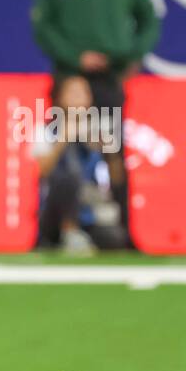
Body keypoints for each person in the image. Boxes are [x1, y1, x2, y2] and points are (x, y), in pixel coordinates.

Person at [30, 0, 159, 248]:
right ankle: (48, 232)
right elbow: (42, 26)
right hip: (68, 80)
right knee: (61, 151)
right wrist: (74, 57)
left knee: (114, 152)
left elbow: (149, 19)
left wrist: (130, 56)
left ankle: (124, 234)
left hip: (108, 82)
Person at [32, 75, 127, 254]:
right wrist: (63, 140)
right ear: (60, 97)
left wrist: (110, 151)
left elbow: (117, 178)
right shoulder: (46, 130)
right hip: (54, 211)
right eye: (72, 92)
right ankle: (69, 232)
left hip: (89, 209)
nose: (77, 97)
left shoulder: (98, 130)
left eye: (82, 92)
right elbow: (40, 172)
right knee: (68, 177)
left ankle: (82, 235)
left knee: (115, 239)